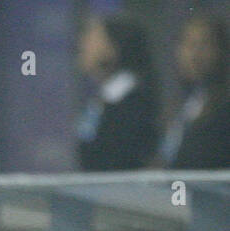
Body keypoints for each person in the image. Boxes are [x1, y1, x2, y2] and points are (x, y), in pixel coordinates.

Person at [75, 14, 159, 171]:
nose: (82, 44)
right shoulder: (102, 100)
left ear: (113, 48)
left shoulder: (134, 103)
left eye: (92, 38)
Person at [158, 14, 230, 170]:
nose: (194, 55)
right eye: (188, 44)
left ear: (221, 51)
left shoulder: (224, 107)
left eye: (204, 44)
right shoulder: (182, 105)